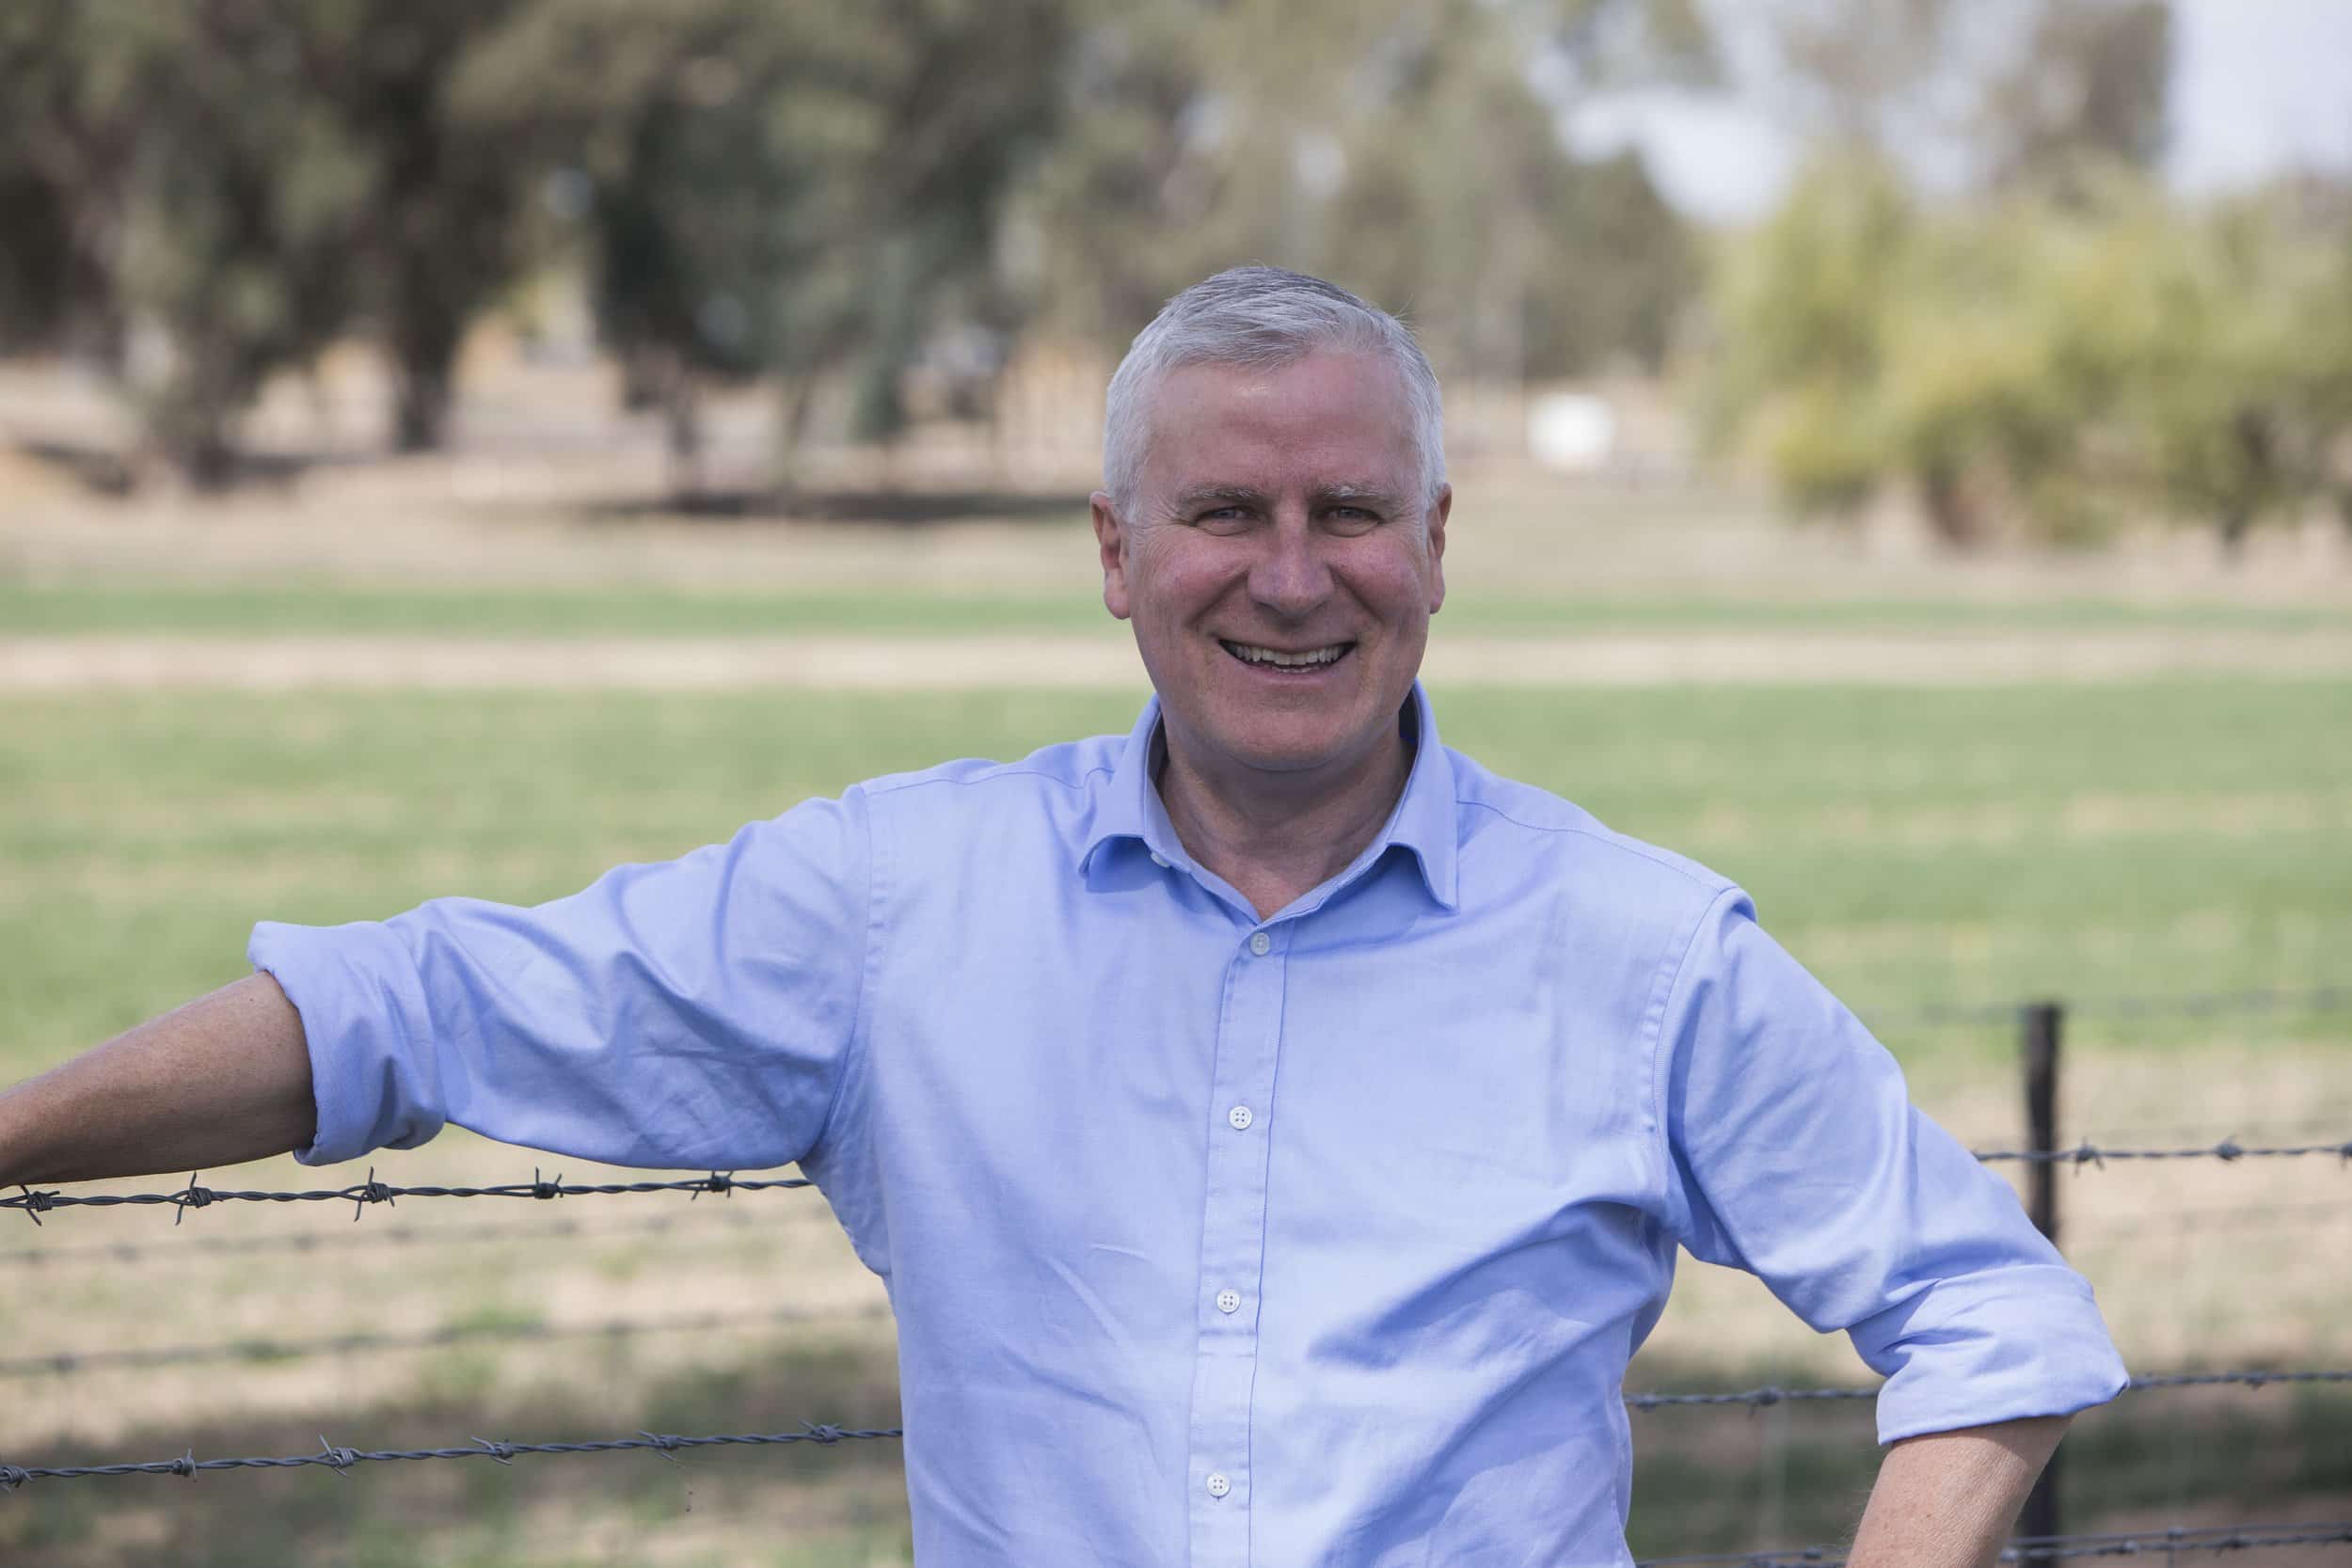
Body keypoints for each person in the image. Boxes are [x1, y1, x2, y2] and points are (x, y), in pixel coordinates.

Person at [0, 265, 2124, 1566]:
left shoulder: (1637, 953)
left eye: (1347, 512)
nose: (1288, 576)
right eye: (1222, 512)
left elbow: (1989, 1319)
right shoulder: (896, 906)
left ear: (1435, 545)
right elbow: (411, 1008)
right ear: (1113, 553)